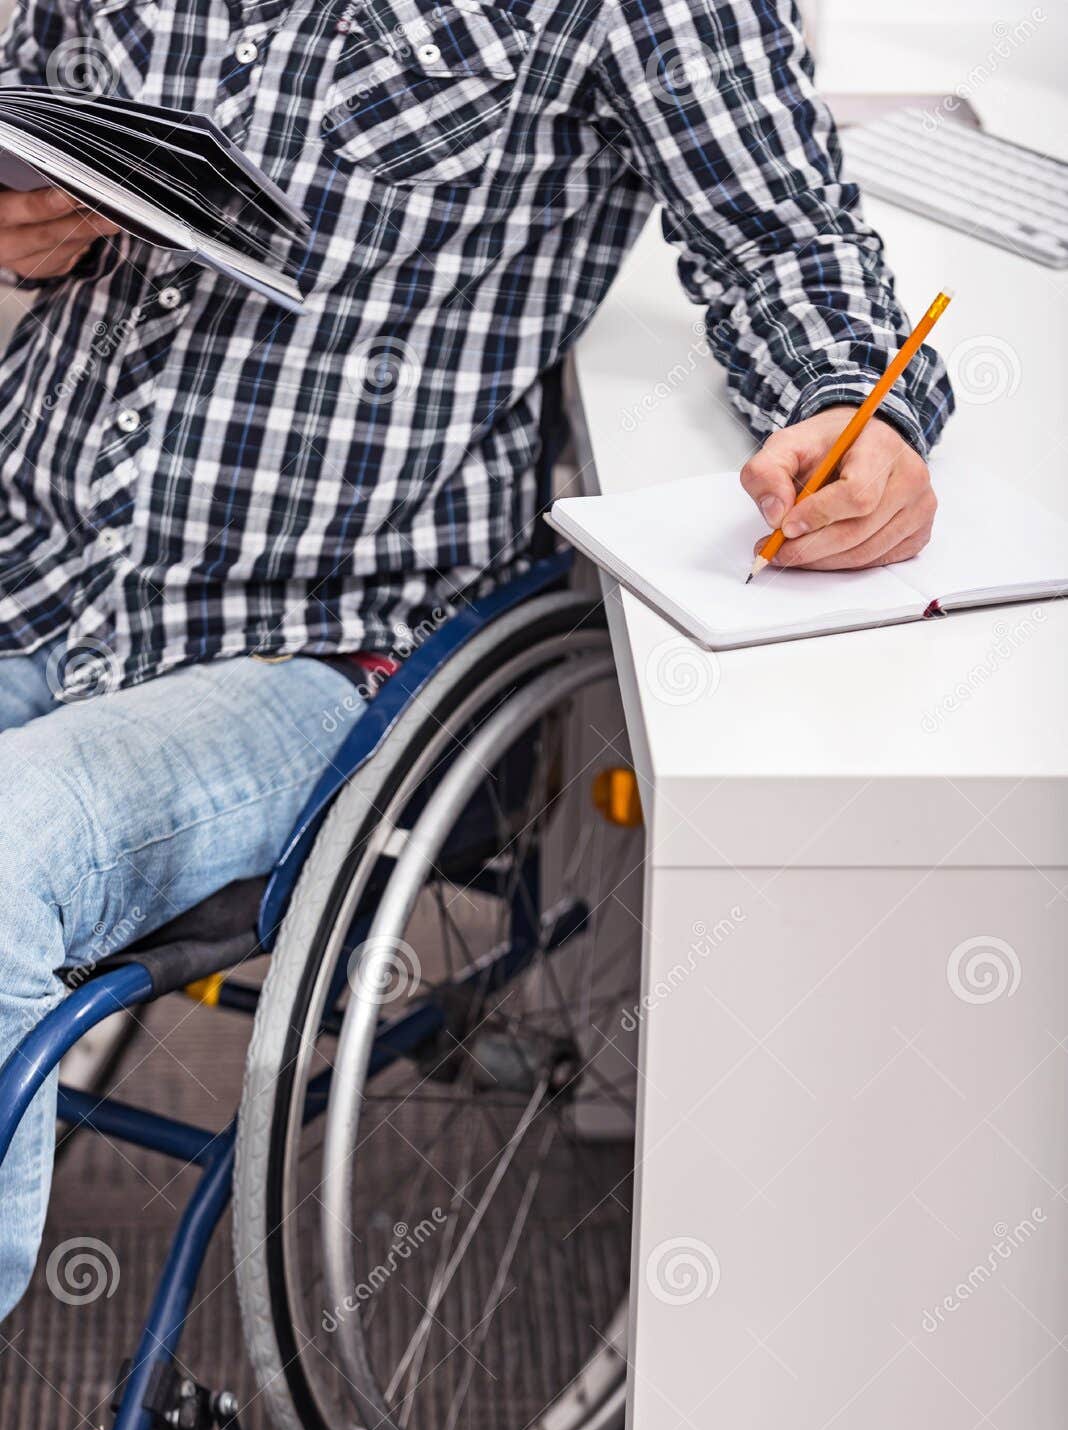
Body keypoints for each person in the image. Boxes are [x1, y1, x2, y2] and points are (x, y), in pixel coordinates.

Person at [0, 0, 952, 1317]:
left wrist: (859, 409)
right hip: (33, 555)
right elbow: (36, 98)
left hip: (313, 639)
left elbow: (787, 243)